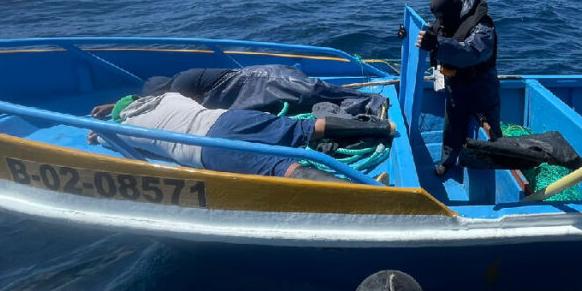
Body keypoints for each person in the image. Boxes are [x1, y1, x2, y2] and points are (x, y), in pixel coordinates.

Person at [88, 93, 395, 183]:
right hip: (227, 118)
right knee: (304, 128)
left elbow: (105, 137)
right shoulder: (167, 96)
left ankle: (371, 193)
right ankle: (383, 129)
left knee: (278, 168)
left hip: (209, 149)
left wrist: (98, 134)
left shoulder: (126, 128)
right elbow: (133, 99)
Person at [416, 0, 501, 176]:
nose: (441, 22)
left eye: (443, 16)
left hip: (482, 90)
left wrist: (437, 45)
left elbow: (471, 52)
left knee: (492, 134)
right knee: (451, 128)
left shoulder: (482, 26)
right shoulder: (446, 20)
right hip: (456, 88)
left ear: (455, 8)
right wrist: (410, 35)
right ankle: (447, 162)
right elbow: (432, 35)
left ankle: (496, 168)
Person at [141, 65, 388, 118]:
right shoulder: (177, 81)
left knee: (310, 90)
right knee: (301, 103)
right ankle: (359, 106)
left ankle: (371, 102)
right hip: (245, 92)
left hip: (259, 81)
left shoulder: (181, 84)